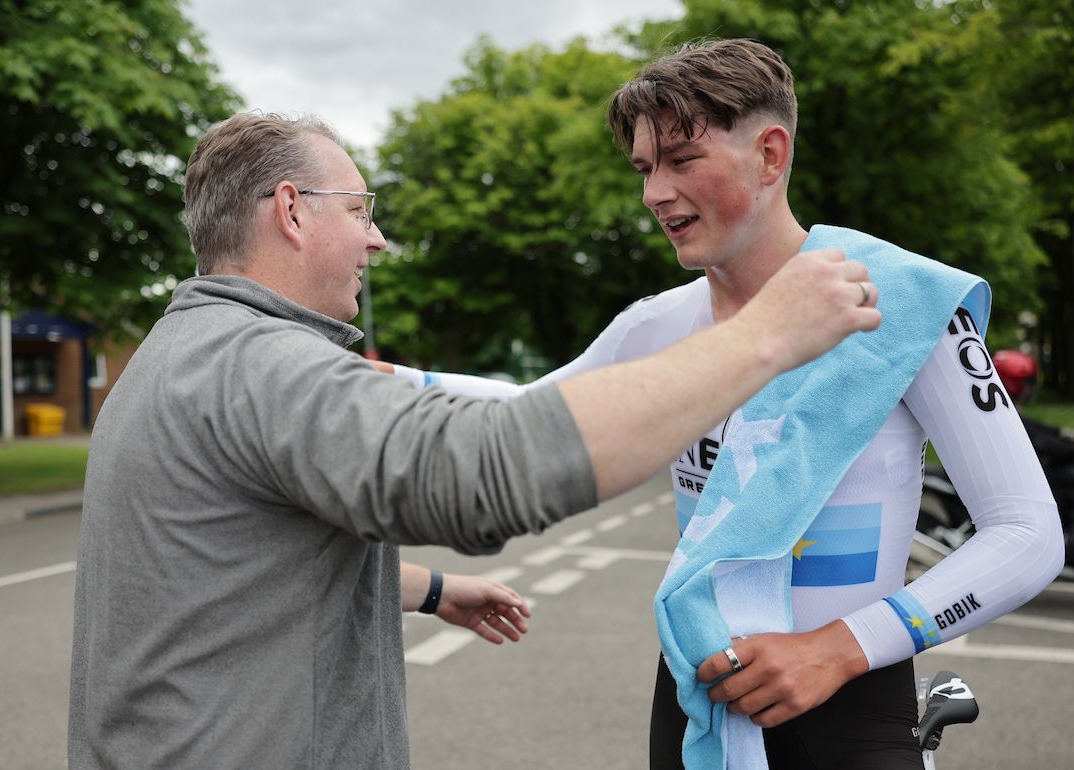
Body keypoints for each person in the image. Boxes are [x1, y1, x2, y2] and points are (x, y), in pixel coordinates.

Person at [66, 111, 880, 769]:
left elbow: (238, 556)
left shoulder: (174, 354)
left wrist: (424, 588)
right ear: (289, 210)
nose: (377, 240)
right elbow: (487, 471)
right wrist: (764, 338)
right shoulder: (263, 367)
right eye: (359, 211)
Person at [385, 39, 1062, 769]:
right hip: (697, 684)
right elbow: (528, 412)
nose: (652, 194)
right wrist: (368, 380)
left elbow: (1028, 533)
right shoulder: (656, 324)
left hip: (853, 694)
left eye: (681, 160)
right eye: (645, 169)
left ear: (771, 155)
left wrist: (837, 651)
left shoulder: (903, 306)